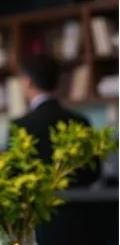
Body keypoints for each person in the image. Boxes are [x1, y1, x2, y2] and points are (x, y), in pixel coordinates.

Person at [10, 53, 100, 187]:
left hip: (36, 206)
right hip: (78, 205)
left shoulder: (20, 126)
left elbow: (13, 175)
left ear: (28, 82)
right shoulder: (81, 121)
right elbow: (94, 172)